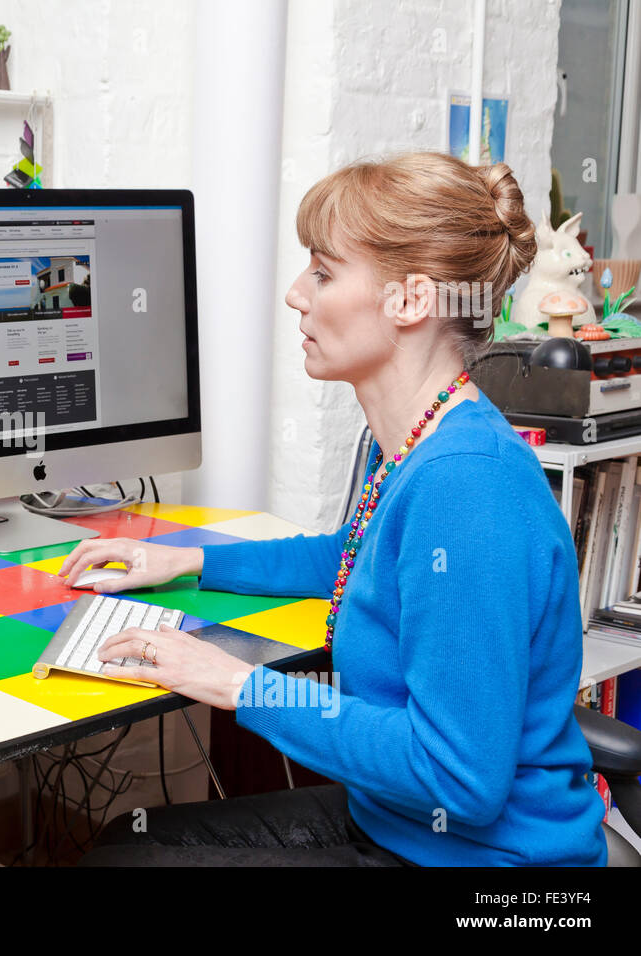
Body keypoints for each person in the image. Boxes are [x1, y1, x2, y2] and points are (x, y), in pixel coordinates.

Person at [64, 151, 609, 867]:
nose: (297, 294)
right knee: (123, 842)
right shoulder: (418, 440)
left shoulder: (465, 488)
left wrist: (236, 684)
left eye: (322, 272)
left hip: (489, 863)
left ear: (411, 301)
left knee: (125, 861)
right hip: (397, 824)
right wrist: (183, 561)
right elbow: (349, 557)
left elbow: (461, 783)